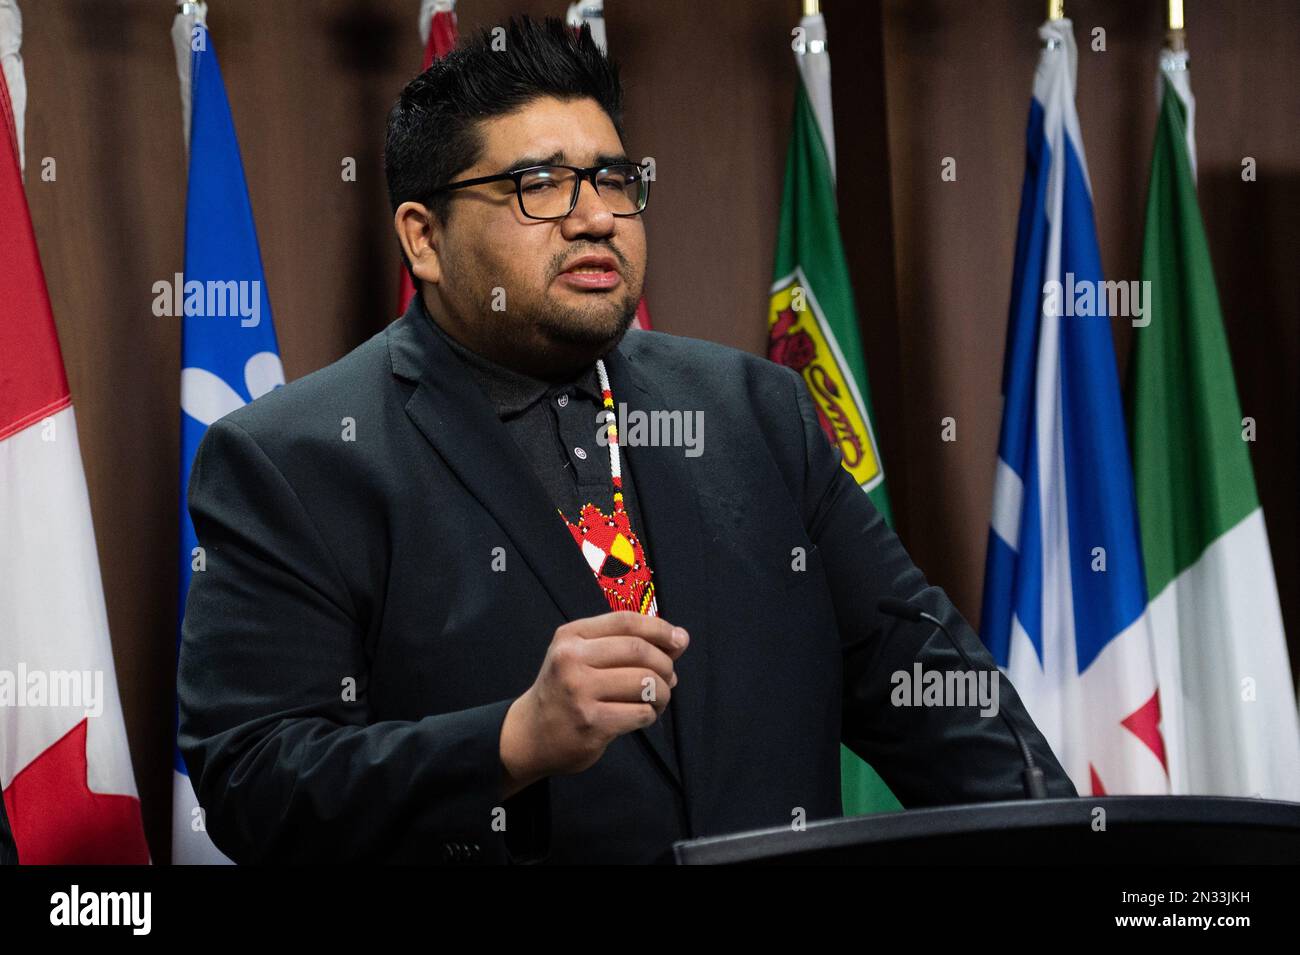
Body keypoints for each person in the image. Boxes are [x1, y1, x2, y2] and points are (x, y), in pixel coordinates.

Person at [177, 15, 1074, 865]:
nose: (597, 215)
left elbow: (932, 690)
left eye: (613, 179)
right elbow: (254, 782)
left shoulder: (759, 415)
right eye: (540, 185)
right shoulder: (293, 458)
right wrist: (509, 741)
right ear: (424, 237)